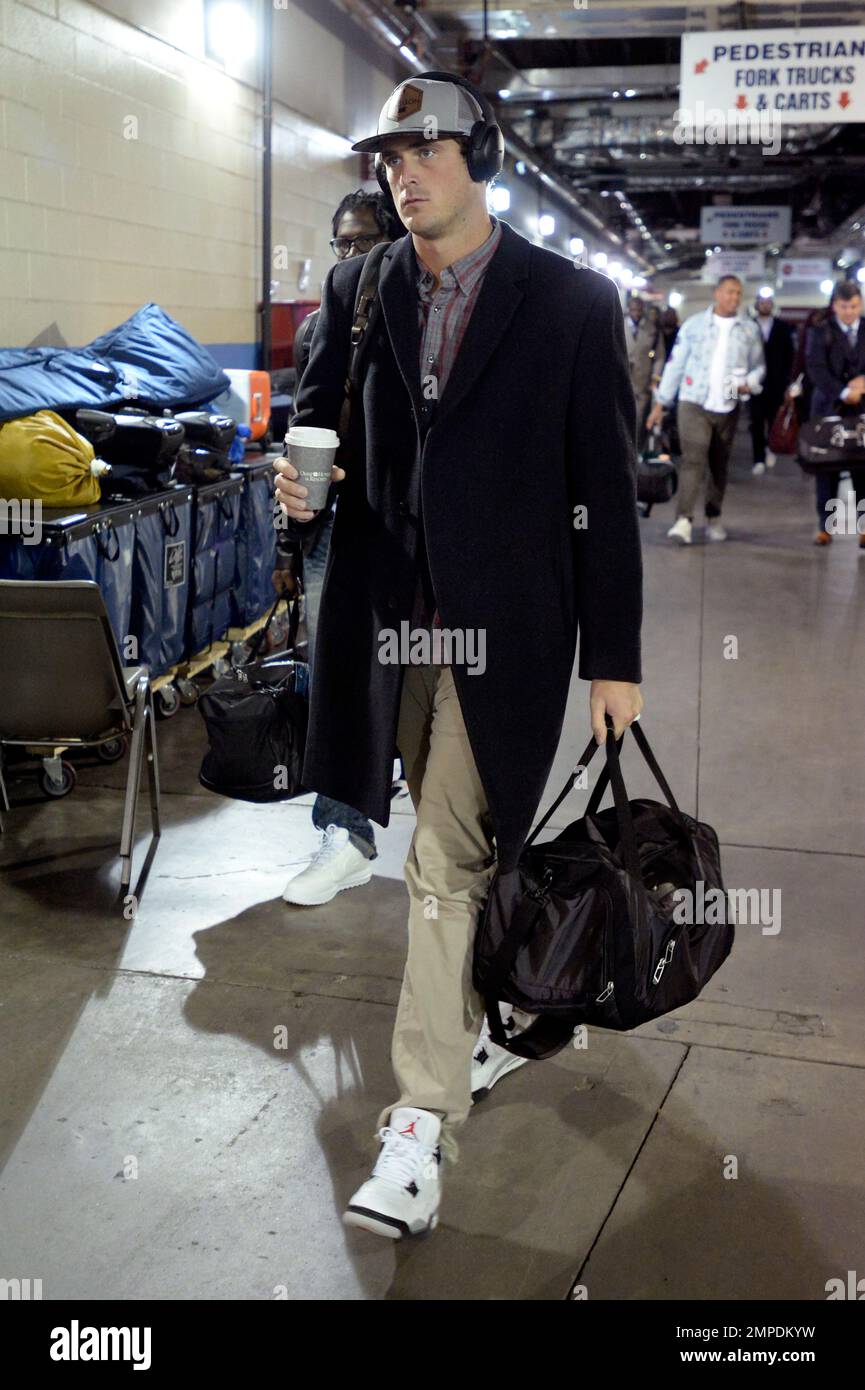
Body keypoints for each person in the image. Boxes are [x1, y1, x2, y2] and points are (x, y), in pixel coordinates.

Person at [274, 70, 643, 1241]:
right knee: (446, 851)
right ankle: (481, 1023)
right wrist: (296, 483)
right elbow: (316, 409)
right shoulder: (363, 283)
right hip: (391, 624)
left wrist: (613, 657)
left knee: (442, 857)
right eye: (391, 155)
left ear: (477, 155)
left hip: (513, 633)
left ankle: (419, 1128)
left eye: (428, 148)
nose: (405, 170)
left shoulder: (572, 304)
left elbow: (605, 496)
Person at [273, 191, 401, 907]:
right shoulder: (322, 322)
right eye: (342, 245)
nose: (352, 257)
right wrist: (289, 542)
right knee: (338, 681)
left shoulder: (420, 320)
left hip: (413, 533)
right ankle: (344, 834)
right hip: (335, 532)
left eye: (365, 242)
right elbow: (301, 437)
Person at [646, 275, 764, 544]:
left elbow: (759, 367)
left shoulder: (749, 329)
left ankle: (714, 516)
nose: (734, 298)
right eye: (729, 292)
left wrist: (749, 383)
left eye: (738, 293)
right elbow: (675, 364)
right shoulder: (694, 325)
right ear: (717, 293)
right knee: (693, 460)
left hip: (729, 403)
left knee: (719, 464)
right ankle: (683, 520)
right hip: (693, 401)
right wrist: (661, 403)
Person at [805, 280, 865, 549]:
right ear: (834, 306)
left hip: (862, 410)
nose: (849, 312)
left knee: (862, 472)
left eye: (853, 306)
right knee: (826, 470)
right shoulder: (821, 332)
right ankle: (825, 527)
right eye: (843, 307)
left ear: (860, 304)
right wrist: (842, 391)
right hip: (829, 409)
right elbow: (815, 368)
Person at [749, 294, 794, 474]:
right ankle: (758, 458)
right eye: (762, 303)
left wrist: (788, 381)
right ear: (757, 305)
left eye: (768, 303)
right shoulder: (749, 326)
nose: (765, 306)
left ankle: (770, 447)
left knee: (774, 418)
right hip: (755, 381)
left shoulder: (782, 327)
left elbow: (790, 355)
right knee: (756, 421)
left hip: (776, 382)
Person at [624, 294, 666, 450]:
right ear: (629, 309)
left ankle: (634, 450)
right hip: (621, 380)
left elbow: (660, 356)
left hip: (643, 381)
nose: (636, 313)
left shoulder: (652, 328)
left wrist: (655, 377)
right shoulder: (618, 324)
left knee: (638, 419)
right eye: (633, 309)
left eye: (639, 309)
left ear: (643, 310)